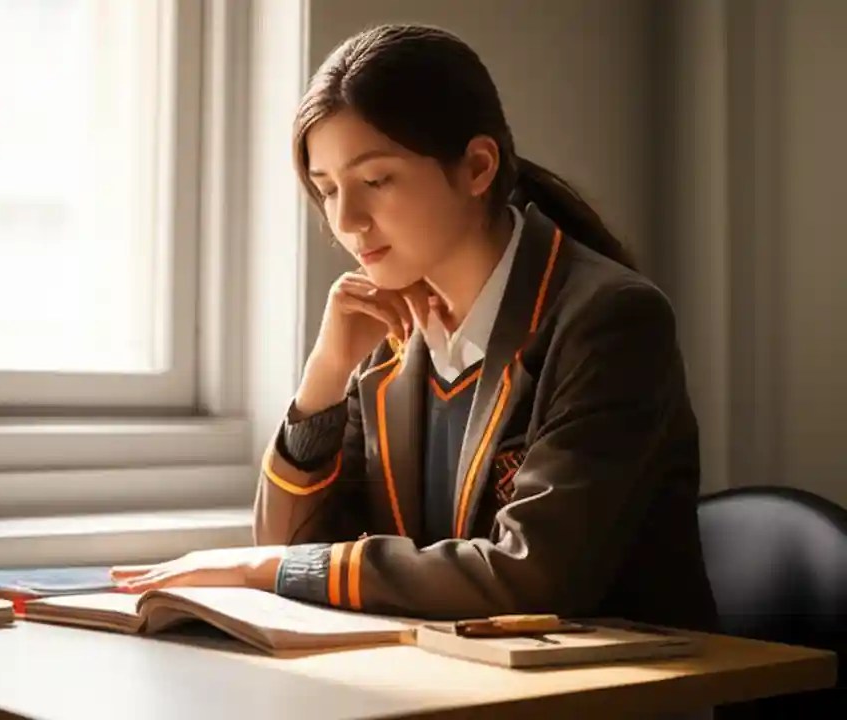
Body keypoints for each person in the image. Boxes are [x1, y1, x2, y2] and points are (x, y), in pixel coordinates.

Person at [112, 23, 717, 633]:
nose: (346, 220)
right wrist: (322, 378)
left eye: (376, 181)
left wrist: (266, 569)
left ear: (478, 167)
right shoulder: (387, 337)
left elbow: (534, 575)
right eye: (327, 190)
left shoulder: (609, 321)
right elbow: (291, 539)